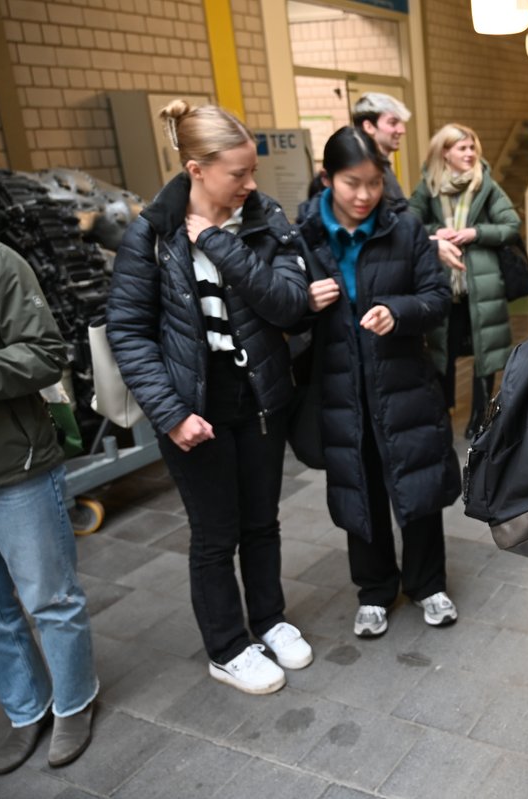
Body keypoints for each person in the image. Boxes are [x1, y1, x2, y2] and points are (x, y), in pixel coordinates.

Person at [107, 100, 312, 696]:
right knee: (215, 533)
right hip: (193, 408)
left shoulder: (263, 218)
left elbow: (289, 305)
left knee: (263, 522)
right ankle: (227, 646)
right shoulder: (150, 234)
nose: (250, 184)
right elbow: (128, 330)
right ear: (196, 169)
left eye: (252, 172)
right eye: (238, 174)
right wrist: (170, 416)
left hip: (259, 398)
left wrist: (222, 246)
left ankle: (270, 619)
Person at [297, 127, 461, 636]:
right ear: (327, 179)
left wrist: (398, 309)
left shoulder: (405, 228)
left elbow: (436, 297)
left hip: (403, 380)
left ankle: (428, 582)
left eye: (374, 182)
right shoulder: (303, 235)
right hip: (340, 386)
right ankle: (373, 590)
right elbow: (278, 303)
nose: (365, 195)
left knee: (417, 483)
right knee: (358, 487)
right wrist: (303, 300)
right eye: (352, 183)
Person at [0, 224, 99, 773]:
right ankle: (26, 709)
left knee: (48, 594)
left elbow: (47, 353)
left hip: (13, 464)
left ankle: (74, 701)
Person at [408, 123, 521, 438]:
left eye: (473, 148)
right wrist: (434, 233)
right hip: (443, 285)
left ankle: (479, 418)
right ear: (445, 152)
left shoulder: (486, 185)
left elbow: (511, 224)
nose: (470, 154)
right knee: (440, 351)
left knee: (486, 353)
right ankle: (442, 412)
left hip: (481, 287)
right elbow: (409, 225)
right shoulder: (427, 187)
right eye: (462, 148)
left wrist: (476, 232)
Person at [353, 93, 468, 289]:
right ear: (369, 126)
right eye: (393, 122)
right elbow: (378, 233)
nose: (401, 130)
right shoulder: (363, 171)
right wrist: (431, 245)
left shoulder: (383, 169)